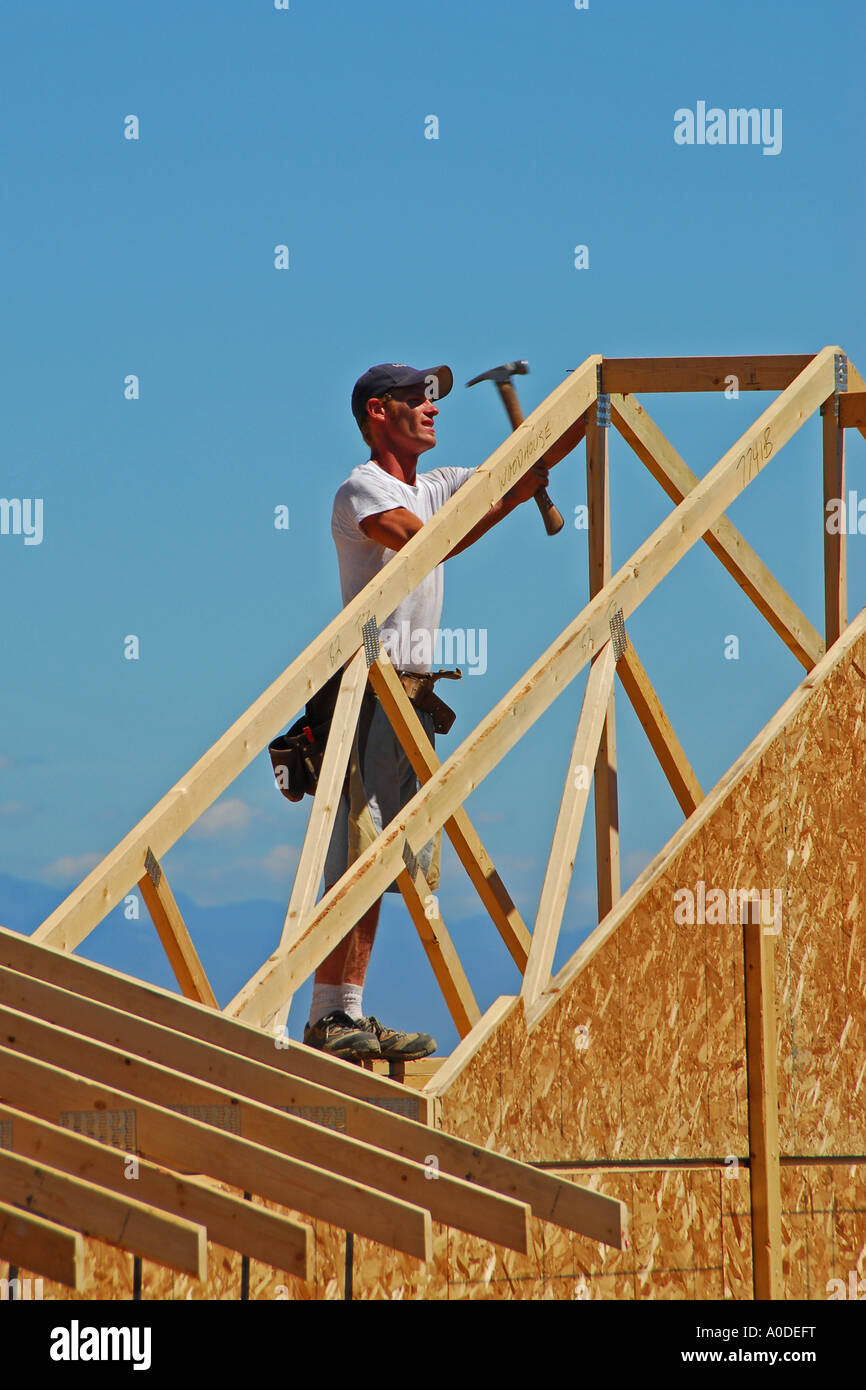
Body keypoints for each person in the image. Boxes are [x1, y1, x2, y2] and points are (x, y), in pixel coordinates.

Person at [303, 362, 549, 1061]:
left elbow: (498, 477)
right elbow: (426, 541)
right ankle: (329, 1015)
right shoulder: (365, 489)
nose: (433, 409)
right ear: (379, 413)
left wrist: (545, 451)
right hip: (367, 687)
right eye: (417, 400)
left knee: (383, 859)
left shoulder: (434, 485)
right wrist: (505, 503)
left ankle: (344, 1011)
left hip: (409, 694)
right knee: (359, 852)